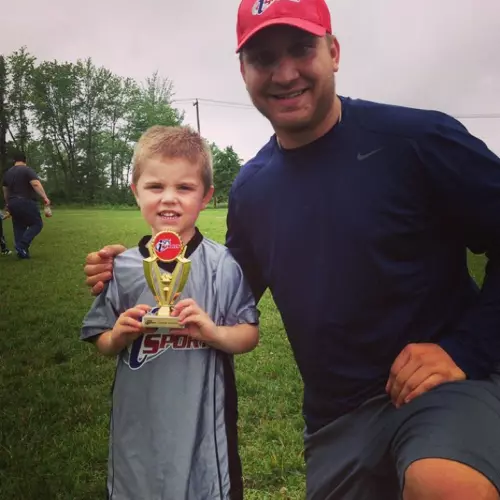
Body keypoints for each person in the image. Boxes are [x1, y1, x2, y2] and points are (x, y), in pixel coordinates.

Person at [84, 1, 500, 499]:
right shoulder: (254, 190)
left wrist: (465, 348)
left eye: (301, 49)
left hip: (442, 391)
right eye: (263, 58)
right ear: (243, 71)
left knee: (443, 484)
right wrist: (132, 268)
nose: (284, 73)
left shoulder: (416, 139)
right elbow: (224, 290)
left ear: (333, 51)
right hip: (336, 420)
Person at [81, 125, 259, 500]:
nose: (169, 200)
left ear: (206, 196)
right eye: (155, 186)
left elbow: (249, 333)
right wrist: (117, 335)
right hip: (138, 422)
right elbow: (101, 338)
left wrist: (215, 333)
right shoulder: (123, 267)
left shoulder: (222, 265)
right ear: (135, 192)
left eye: (184, 188)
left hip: (203, 426)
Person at [2, 152, 50, 258]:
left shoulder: (8, 173)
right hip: (25, 201)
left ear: (14, 160)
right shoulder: (27, 170)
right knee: (37, 224)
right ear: (25, 160)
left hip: (12, 202)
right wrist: (44, 197)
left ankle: (22, 253)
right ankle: (22, 245)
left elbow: (5, 190)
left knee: (19, 226)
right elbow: (36, 184)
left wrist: (7, 203)